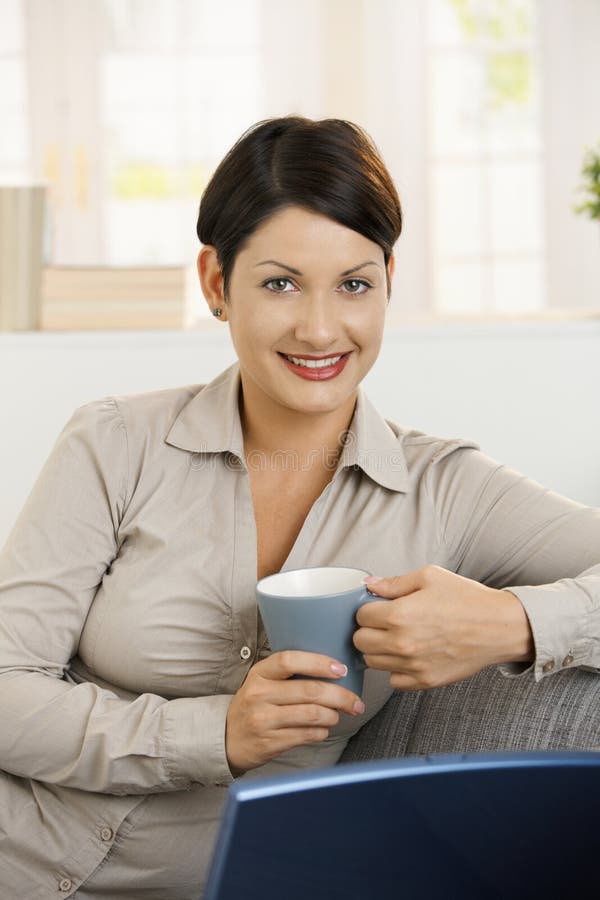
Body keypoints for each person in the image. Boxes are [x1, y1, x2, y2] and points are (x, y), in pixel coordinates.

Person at [0, 115, 599, 899]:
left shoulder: (450, 489)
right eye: (280, 282)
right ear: (217, 282)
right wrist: (214, 733)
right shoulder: (114, 443)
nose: (321, 329)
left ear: (388, 277)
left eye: (354, 283)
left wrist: (514, 625)